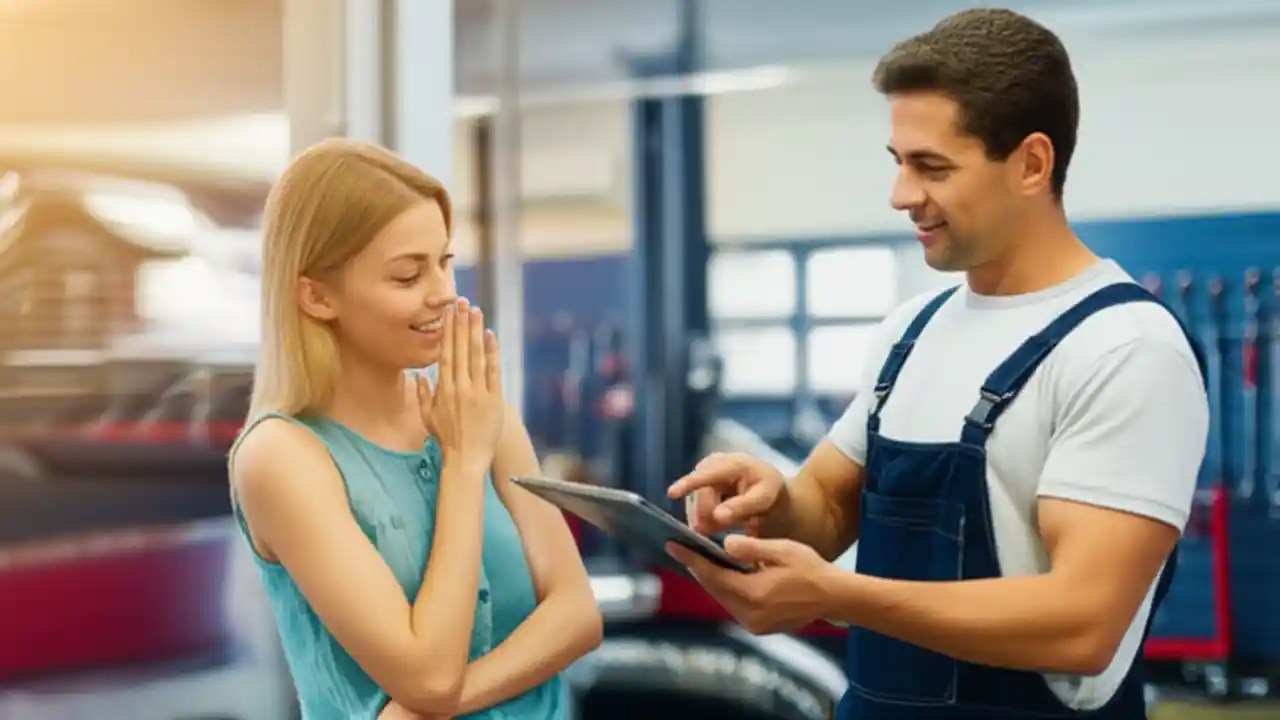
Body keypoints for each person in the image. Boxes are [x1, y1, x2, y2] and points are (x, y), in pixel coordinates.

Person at [665, 8, 1208, 720]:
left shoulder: (1125, 349)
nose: (901, 196)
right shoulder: (910, 333)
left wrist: (837, 595)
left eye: (933, 167)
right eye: (899, 163)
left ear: (1032, 164)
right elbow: (828, 507)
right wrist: (768, 501)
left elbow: (1084, 624)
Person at [228, 138, 602, 719]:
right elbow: (428, 674)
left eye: (445, 262)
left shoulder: (477, 410)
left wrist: (423, 711)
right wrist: (463, 464)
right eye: (408, 276)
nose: (445, 294)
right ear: (316, 296)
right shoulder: (281, 457)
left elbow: (577, 612)